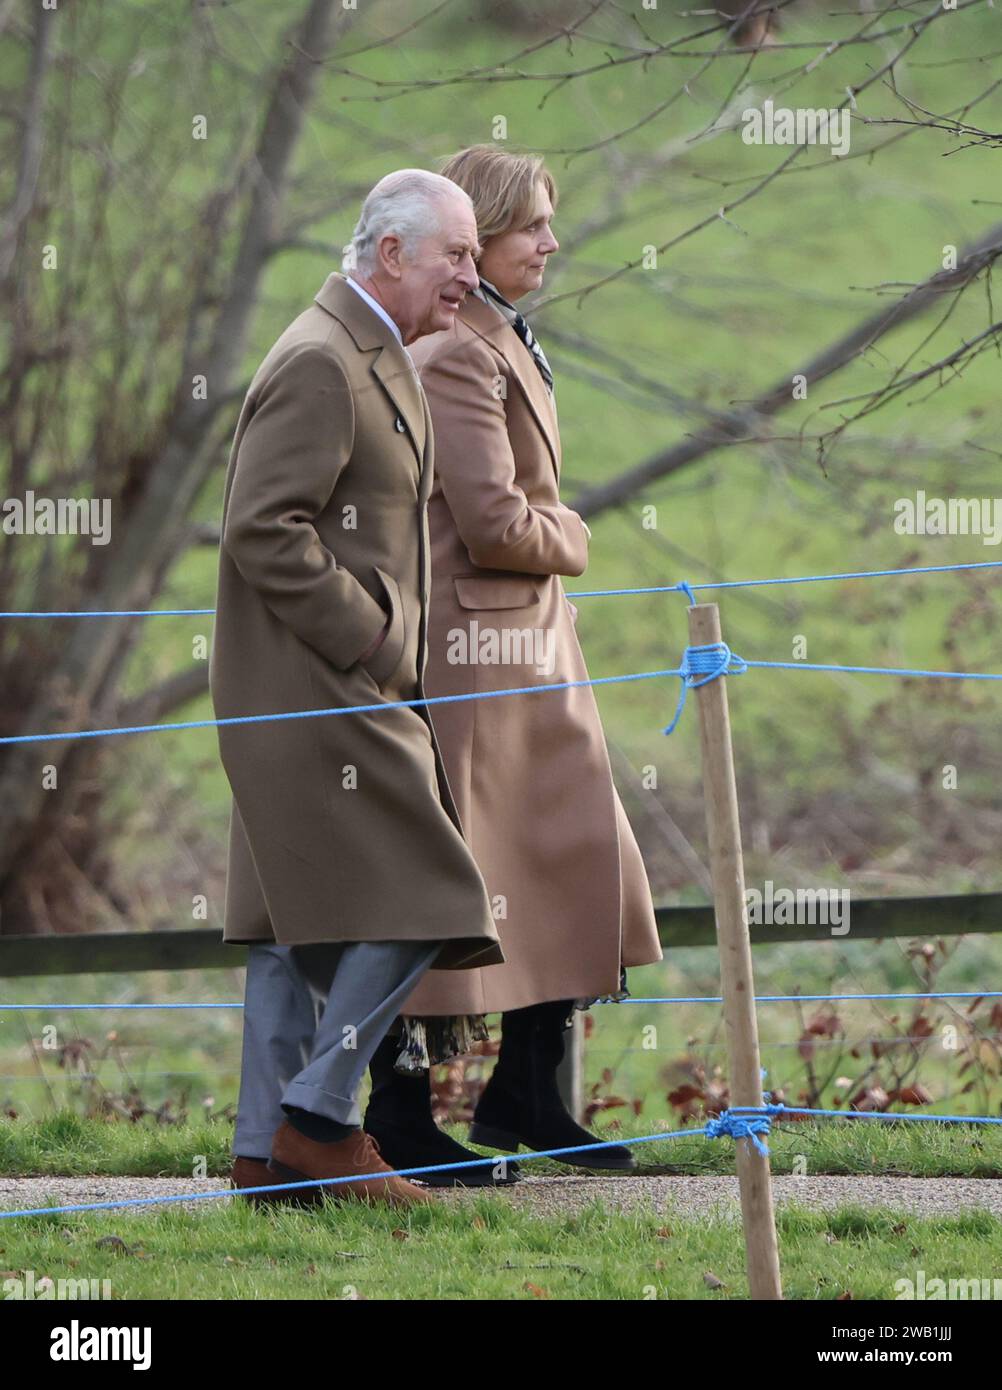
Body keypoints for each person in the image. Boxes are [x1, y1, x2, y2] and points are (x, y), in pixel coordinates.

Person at [362, 147, 664, 1179]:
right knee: (462, 875)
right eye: (532, 223)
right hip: (479, 661)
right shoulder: (456, 352)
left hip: (530, 652)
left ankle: (526, 1092)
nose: (551, 241)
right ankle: (396, 1111)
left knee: (576, 866)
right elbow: (494, 524)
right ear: (480, 235)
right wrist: (572, 534)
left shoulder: (500, 337)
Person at [208, 168, 503, 1210]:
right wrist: (375, 636)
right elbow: (261, 528)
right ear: (391, 253)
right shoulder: (323, 361)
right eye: (457, 254)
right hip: (315, 688)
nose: (471, 273)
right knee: (437, 886)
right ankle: (323, 1117)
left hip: (324, 686)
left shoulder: (375, 348)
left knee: (297, 923)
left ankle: (260, 1156)